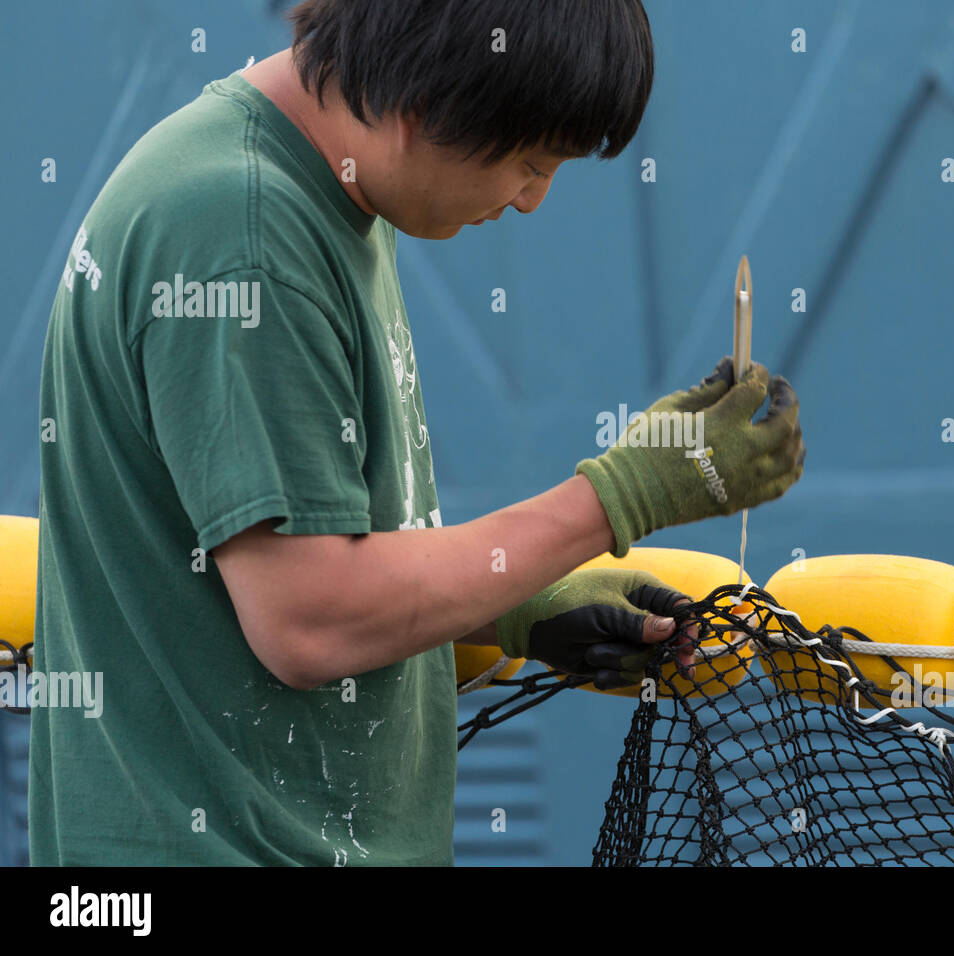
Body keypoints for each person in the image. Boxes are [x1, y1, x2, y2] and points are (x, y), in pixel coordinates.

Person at [31, 0, 805, 865]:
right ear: (421, 102)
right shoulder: (241, 234)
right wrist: (626, 492)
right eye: (528, 161)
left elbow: (308, 548)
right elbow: (308, 621)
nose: (532, 200)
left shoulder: (317, 186)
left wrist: (518, 607)